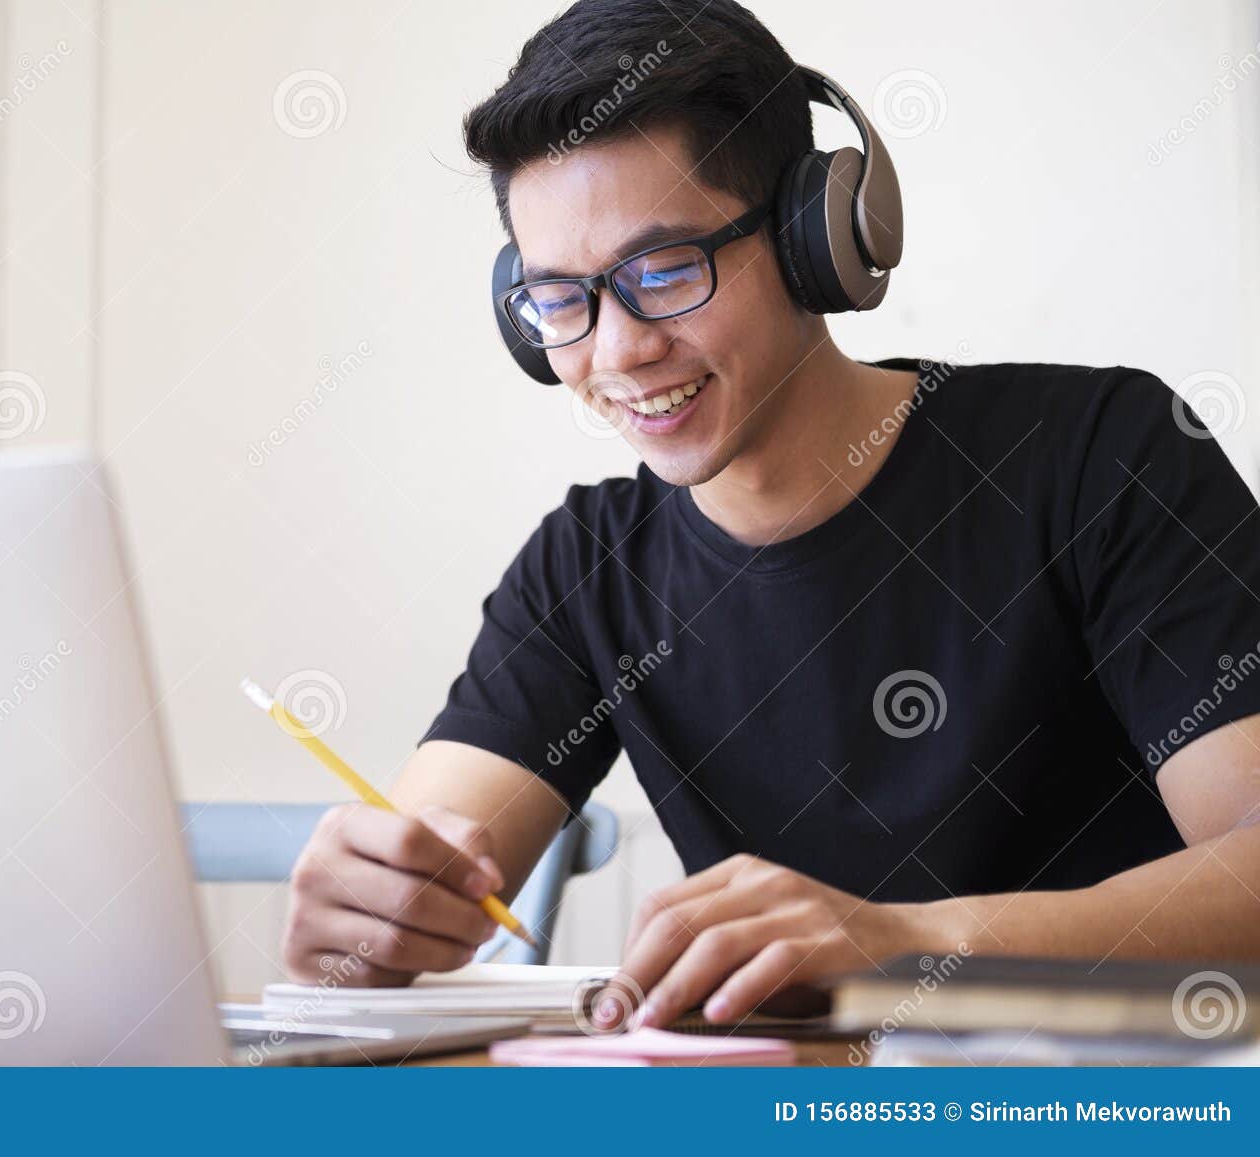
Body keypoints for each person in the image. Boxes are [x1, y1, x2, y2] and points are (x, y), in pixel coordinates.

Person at [281, 0, 1260, 1028]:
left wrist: (902, 947)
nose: (616, 352)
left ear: (814, 239)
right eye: (560, 298)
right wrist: (366, 913)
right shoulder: (587, 566)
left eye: (665, 269)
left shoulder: (1101, 453)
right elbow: (431, 857)